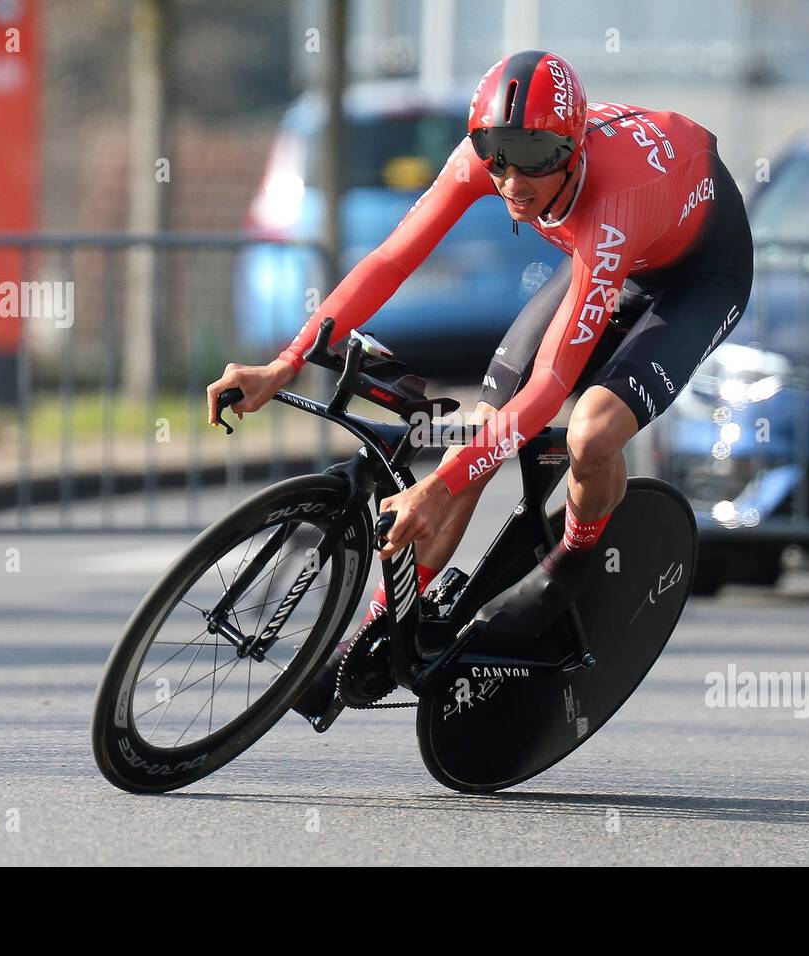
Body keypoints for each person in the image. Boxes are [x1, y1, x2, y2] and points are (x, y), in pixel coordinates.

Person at [207, 50, 753, 727]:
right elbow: (390, 259)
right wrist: (285, 363)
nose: (514, 179)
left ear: (575, 149)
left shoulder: (610, 198)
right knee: (479, 434)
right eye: (497, 154)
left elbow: (552, 386)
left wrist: (435, 489)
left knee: (591, 431)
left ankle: (571, 563)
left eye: (536, 156)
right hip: (607, 259)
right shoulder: (489, 162)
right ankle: (372, 637)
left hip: (697, 273)